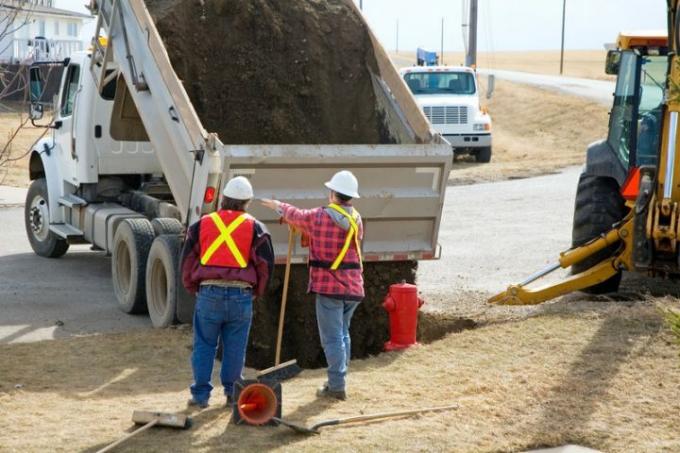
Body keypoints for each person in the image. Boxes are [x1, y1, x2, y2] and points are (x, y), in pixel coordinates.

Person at [261, 170, 364, 401]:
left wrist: (278, 205)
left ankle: (337, 386)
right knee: (343, 334)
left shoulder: (320, 216)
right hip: (354, 287)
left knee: (333, 338)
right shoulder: (356, 219)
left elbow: (297, 215)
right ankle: (339, 379)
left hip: (329, 288)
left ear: (333, 193)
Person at [181, 176, 274, 408]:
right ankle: (232, 394)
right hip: (241, 296)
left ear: (223, 198)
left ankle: (200, 396)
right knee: (235, 346)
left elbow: (187, 260)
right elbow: (265, 265)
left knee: (204, 344)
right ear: (247, 202)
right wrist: (257, 292)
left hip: (209, 293)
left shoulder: (201, 224)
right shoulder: (256, 228)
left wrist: (193, 287)